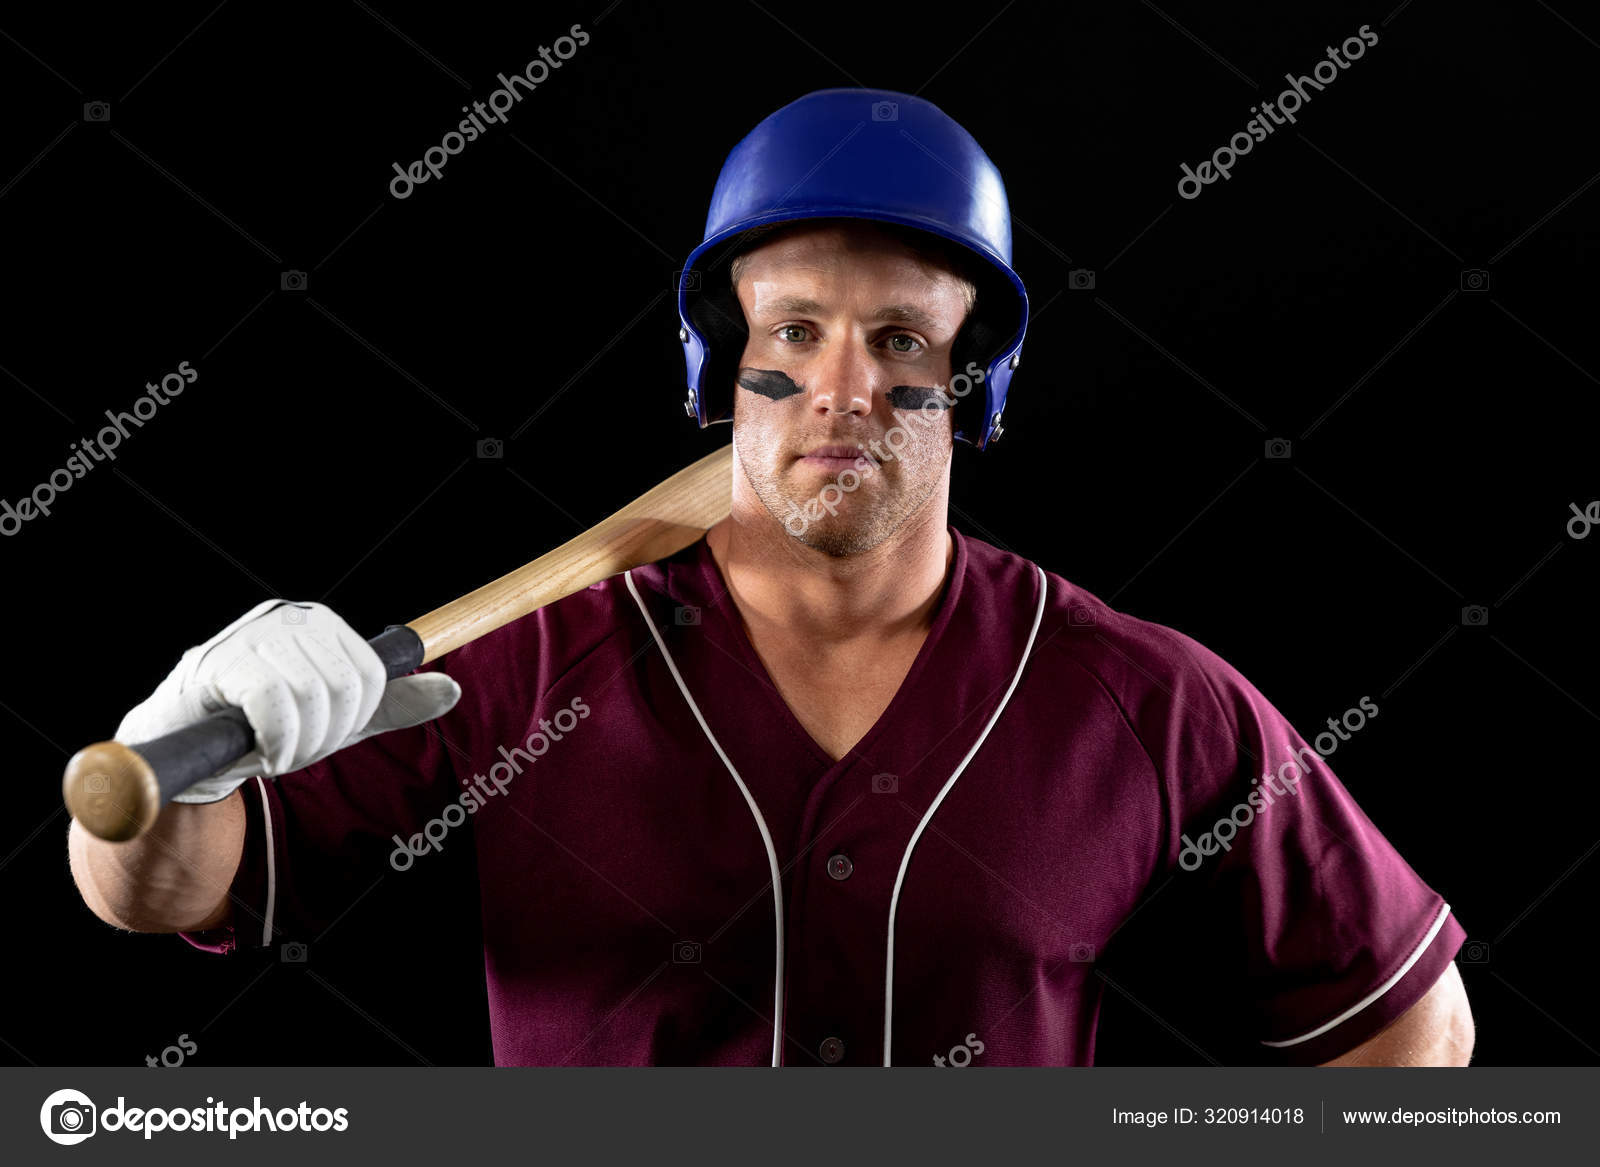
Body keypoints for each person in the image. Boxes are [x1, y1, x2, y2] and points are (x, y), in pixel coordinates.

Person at [69, 88, 1473, 1067]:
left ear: (973, 386)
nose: (843, 390)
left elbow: (1418, 1033)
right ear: (713, 363)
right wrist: (168, 763)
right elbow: (157, 892)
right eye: (794, 327)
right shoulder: (519, 667)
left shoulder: (1147, 699)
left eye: (904, 342)